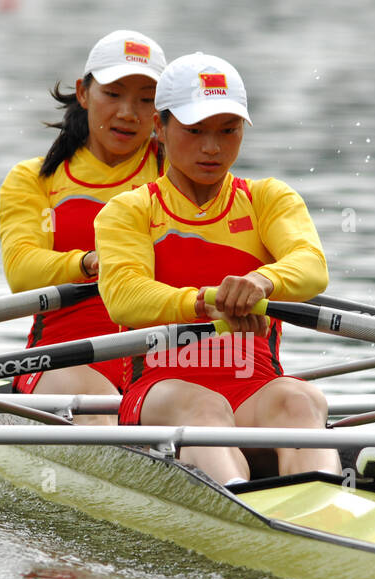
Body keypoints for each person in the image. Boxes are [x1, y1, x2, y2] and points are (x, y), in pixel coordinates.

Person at [95, 52, 340, 483]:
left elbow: (311, 268)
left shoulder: (268, 198)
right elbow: (124, 299)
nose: (212, 148)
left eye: (228, 131)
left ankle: (328, 507)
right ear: (160, 128)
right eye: (195, 131)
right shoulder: (129, 210)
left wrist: (262, 280)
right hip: (160, 389)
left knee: (302, 398)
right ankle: (242, 512)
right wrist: (209, 302)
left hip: (252, 388)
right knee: (204, 407)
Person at [0, 29, 167, 423]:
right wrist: (90, 262)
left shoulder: (181, 174)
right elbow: (22, 272)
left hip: (161, 363)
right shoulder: (34, 179)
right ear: (84, 93)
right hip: (61, 360)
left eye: (146, 100)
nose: (128, 113)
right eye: (114, 94)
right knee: (98, 400)